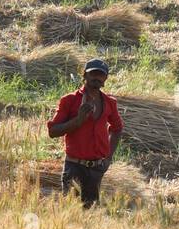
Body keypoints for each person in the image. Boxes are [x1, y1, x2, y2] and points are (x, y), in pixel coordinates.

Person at [47, 58, 124, 208]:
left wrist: (108, 158)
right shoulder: (69, 100)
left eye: (101, 75)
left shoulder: (109, 102)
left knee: (92, 214)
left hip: (96, 168)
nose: (97, 77)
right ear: (84, 75)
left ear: (105, 78)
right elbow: (53, 131)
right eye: (93, 73)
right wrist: (78, 120)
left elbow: (117, 128)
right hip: (74, 166)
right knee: (71, 212)